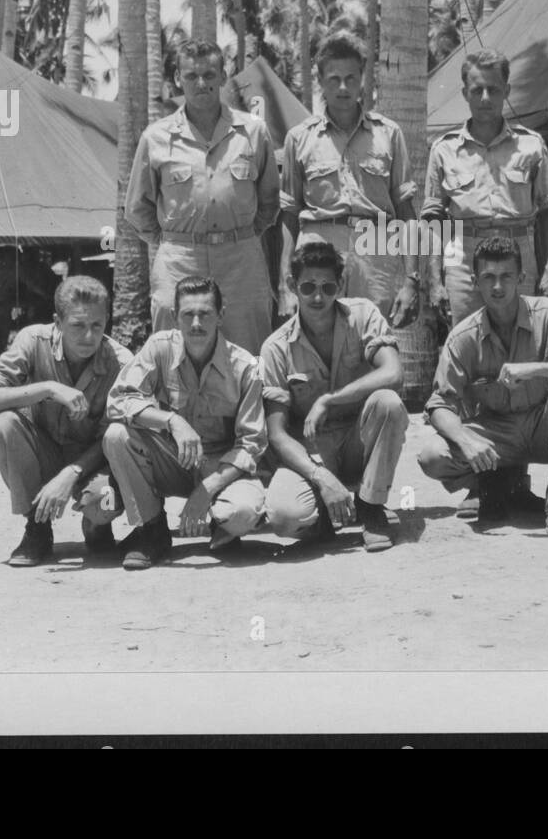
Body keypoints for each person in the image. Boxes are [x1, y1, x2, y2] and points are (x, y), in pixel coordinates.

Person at [417, 236, 548, 534]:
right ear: (475, 281)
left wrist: (538, 369)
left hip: (546, 427)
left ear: (522, 278)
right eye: (488, 277)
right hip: (496, 436)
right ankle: (494, 482)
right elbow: (439, 405)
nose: (498, 287)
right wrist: (468, 443)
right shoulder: (464, 337)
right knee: (432, 456)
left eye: (506, 277)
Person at [103, 276, 269, 569]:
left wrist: (206, 490)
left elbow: (251, 443)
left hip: (220, 465)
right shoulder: (159, 348)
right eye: (187, 314)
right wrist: (171, 420)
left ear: (221, 315)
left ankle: (222, 522)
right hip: (172, 457)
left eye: (205, 314)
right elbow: (119, 400)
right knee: (117, 435)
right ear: (173, 317)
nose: (196, 323)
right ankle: (151, 530)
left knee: (243, 513)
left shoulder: (244, 366)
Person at [124, 41, 280, 354]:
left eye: (209, 74)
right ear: (177, 80)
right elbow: (138, 208)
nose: (201, 83)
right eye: (191, 75)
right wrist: (175, 239)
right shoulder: (156, 137)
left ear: (223, 76)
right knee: (171, 352)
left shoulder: (253, 131)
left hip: (240, 261)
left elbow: (270, 200)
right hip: (179, 260)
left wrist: (238, 234)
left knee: (248, 352)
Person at [0, 276, 133, 566]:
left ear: (107, 321)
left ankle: (97, 526)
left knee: (103, 503)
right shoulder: (33, 341)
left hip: (91, 463)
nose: (88, 337)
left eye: (97, 326)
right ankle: (37, 527)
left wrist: (70, 473)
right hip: (43, 451)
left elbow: (114, 436)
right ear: (57, 321)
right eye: (77, 326)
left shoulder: (120, 362)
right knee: (2, 427)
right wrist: (47, 389)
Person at [258, 241, 408, 552]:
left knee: (388, 403)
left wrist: (329, 399)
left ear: (340, 286)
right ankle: (323, 514)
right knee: (284, 517)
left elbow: (393, 373)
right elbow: (277, 434)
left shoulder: (363, 315)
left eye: (327, 287)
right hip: (314, 448)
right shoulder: (276, 347)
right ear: (291, 285)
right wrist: (321, 477)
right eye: (308, 286)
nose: (317, 297)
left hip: (359, 439)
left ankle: (371, 506)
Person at [278, 32, 420, 326]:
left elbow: (406, 214)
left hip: (376, 254)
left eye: (351, 78)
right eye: (334, 79)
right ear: (320, 81)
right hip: (318, 253)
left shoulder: (389, 135)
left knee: (374, 344)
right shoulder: (299, 138)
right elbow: (289, 216)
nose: (343, 87)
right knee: (317, 350)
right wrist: (285, 285)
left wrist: (410, 282)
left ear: (362, 79)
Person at [420, 48, 548, 327]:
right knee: (465, 340)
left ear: (506, 90)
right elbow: (433, 220)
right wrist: (435, 280)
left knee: (522, 338)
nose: (485, 98)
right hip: (463, 257)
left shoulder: (531, 145)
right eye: (477, 90)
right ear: (464, 93)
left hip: (518, 253)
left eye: (493, 90)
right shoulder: (444, 149)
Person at [0, 248, 50, 367]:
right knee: (2, 339)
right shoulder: (17, 269)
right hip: (2, 304)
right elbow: (31, 284)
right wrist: (45, 294)